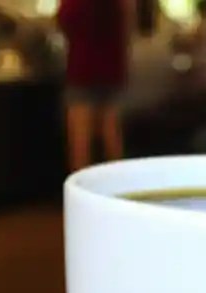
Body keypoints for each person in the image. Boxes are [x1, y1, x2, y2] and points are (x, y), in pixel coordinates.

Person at [58, 0, 133, 171]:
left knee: (80, 140)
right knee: (111, 133)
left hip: (83, 67)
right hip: (112, 67)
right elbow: (127, 26)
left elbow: (65, 20)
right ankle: (116, 187)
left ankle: (80, 193)